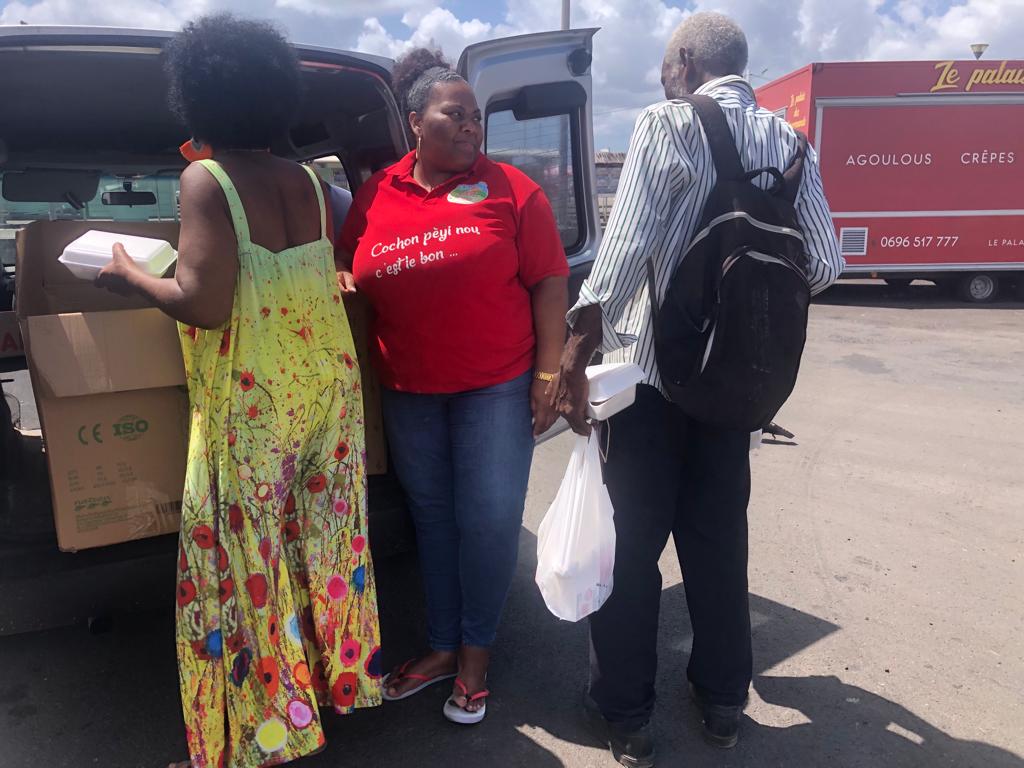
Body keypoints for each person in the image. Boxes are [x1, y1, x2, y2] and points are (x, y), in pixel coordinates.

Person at [555, 12, 844, 767]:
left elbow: (625, 249)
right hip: (735, 388)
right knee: (718, 546)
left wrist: (576, 349)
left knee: (631, 550)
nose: (661, 78)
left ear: (684, 60)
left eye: (664, 65)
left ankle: (626, 715)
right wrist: (738, 315)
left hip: (651, 385)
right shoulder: (791, 144)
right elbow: (825, 263)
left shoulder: (669, 122)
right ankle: (721, 704)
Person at [95, 14, 381, 768]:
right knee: (325, 538)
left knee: (244, 560)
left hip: (256, 400)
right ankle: (329, 689)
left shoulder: (207, 179)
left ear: (198, 101)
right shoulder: (310, 182)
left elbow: (204, 302)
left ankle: (266, 732)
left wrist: (128, 275)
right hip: (326, 388)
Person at [337, 48, 569, 725]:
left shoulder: (512, 190)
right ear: (416, 122)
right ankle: (442, 647)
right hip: (408, 388)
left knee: (489, 521)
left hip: (493, 387)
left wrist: (548, 373)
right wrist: (342, 277)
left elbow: (550, 282)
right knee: (433, 521)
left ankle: (475, 655)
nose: (472, 126)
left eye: (476, 116)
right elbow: (346, 260)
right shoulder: (377, 193)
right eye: (455, 114)